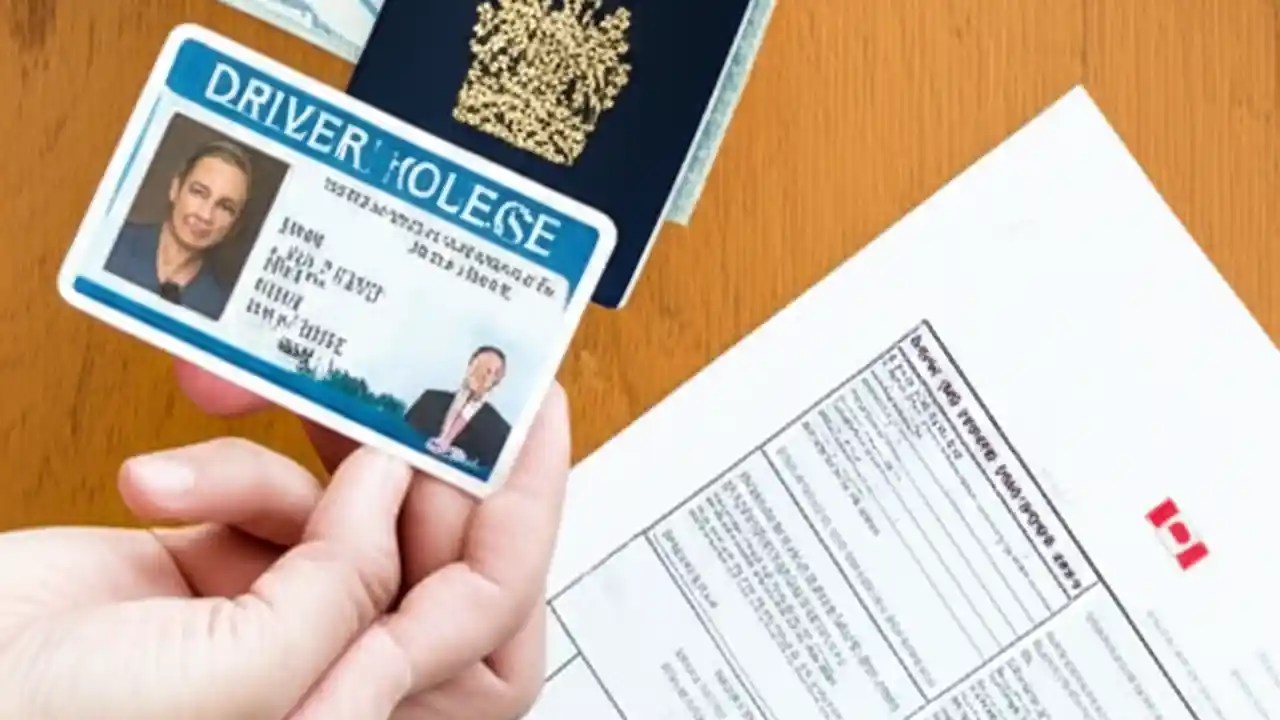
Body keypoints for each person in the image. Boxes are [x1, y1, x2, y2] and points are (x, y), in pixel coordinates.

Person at [0, 361, 571, 720]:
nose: (483, 380)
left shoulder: (496, 427)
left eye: (494, 377)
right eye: (480, 369)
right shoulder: (422, 397)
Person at [104, 139, 252, 320]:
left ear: (235, 223)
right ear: (175, 189)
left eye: (225, 207)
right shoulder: (110, 240)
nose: (205, 215)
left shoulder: (221, 309)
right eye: (199, 192)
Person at [405, 346, 513, 469]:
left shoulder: (498, 430)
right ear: (468, 367)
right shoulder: (429, 400)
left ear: (496, 381)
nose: (480, 375)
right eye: (477, 366)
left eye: (488, 371)